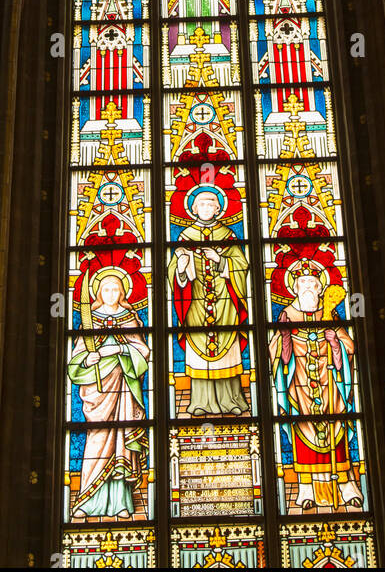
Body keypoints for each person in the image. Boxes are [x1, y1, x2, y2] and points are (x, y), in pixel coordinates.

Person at [270, 264, 362, 511]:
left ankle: (346, 485)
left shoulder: (330, 315)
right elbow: (276, 354)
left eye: (313, 284)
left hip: (330, 386)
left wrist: (335, 345)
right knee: (303, 431)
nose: (308, 288)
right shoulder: (287, 315)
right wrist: (286, 339)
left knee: (338, 430)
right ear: (294, 288)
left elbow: (349, 347)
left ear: (321, 288)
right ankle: (306, 488)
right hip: (299, 387)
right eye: (303, 284)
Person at [66, 267, 149, 519]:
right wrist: (89, 359)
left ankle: (122, 503)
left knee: (122, 441)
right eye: (106, 289)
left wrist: (119, 351)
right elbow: (76, 358)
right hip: (97, 391)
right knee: (97, 439)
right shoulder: (91, 320)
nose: (111, 293)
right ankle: (87, 499)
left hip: (123, 387)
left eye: (116, 289)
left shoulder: (129, 318)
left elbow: (143, 352)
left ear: (123, 292)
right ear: (99, 293)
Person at [168, 185, 249, 415]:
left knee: (227, 349)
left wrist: (221, 261)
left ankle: (231, 401)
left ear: (218, 209)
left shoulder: (229, 236)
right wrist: (181, 270)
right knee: (198, 349)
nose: (206, 208)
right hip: (196, 302)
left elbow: (242, 267)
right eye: (201, 204)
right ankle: (200, 402)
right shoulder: (185, 237)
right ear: (193, 209)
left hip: (226, 303)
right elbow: (173, 272)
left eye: (211, 204)